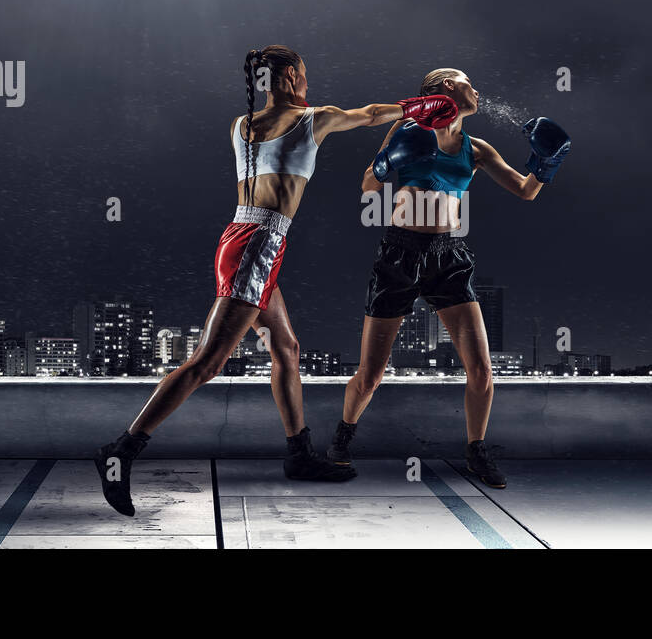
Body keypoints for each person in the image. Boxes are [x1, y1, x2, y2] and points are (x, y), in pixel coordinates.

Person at [93, 45, 459, 516]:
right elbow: (369, 115)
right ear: (289, 76)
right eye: (303, 75)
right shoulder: (315, 118)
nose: (308, 82)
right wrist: (417, 107)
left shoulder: (241, 125)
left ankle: (299, 455)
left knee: (285, 349)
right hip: (260, 243)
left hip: (241, 236)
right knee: (206, 363)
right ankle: (120, 452)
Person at [327, 68, 571, 488]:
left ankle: (476, 450)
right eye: (465, 81)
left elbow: (526, 191)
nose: (475, 88)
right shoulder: (408, 129)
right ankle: (340, 441)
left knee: (481, 369)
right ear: (442, 89)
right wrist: (389, 161)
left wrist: (545, 163)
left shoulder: (477, 149)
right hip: (399, 255)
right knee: (370, 374)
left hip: (450, 258)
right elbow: (368, 185)